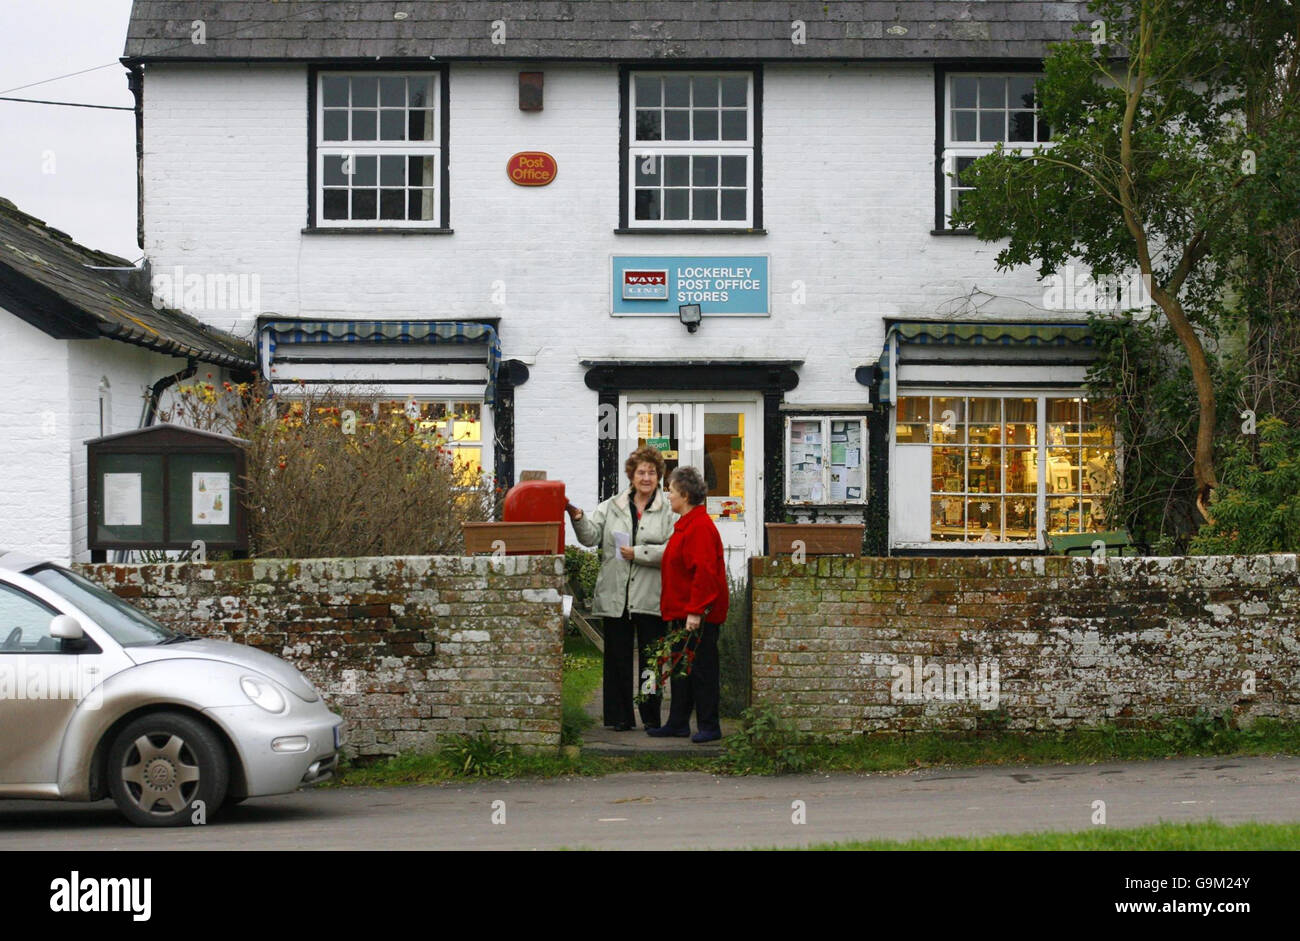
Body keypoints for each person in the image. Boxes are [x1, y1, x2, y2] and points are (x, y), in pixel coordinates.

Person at [567, 446, 675, 731]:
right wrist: (577, 517)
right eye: (641, 472)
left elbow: (674, 550)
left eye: (652, 472)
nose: (647, 477)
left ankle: (651, 717)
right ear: (631, 475)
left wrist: (638, 553)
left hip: (651, 597)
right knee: (617, 660)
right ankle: (618, 718)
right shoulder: (611, 506)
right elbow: (590, 538)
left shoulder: (668, 511)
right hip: (616, 596)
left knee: (652, 661)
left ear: (659, 476)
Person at [648, 465, 730, 743]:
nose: (667, 495)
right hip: (682, 613)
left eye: (670, 490)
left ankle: (709, 726)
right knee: (681, 669)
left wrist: (695, 611)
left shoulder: (699, 528)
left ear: (684, 493)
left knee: (702, 671)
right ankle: (678, 723)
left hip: (697, 616)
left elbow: (705, 574)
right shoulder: (687, 525)